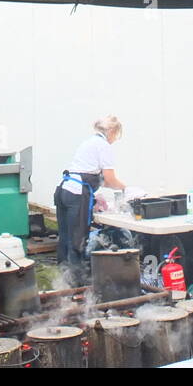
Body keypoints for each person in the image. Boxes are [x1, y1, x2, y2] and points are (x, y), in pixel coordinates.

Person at [55, 116, 125, 276]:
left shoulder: (88, 143)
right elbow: (110, 179)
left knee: (65, 240)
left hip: (64, 190)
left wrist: (96, 195)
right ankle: (76, 286)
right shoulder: (103, 146)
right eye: (116, 135)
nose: (115, 140)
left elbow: (96, 177)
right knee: (77, 241)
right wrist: (127, 189)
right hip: (76, 195)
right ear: (112, 131)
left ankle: (63, 284)